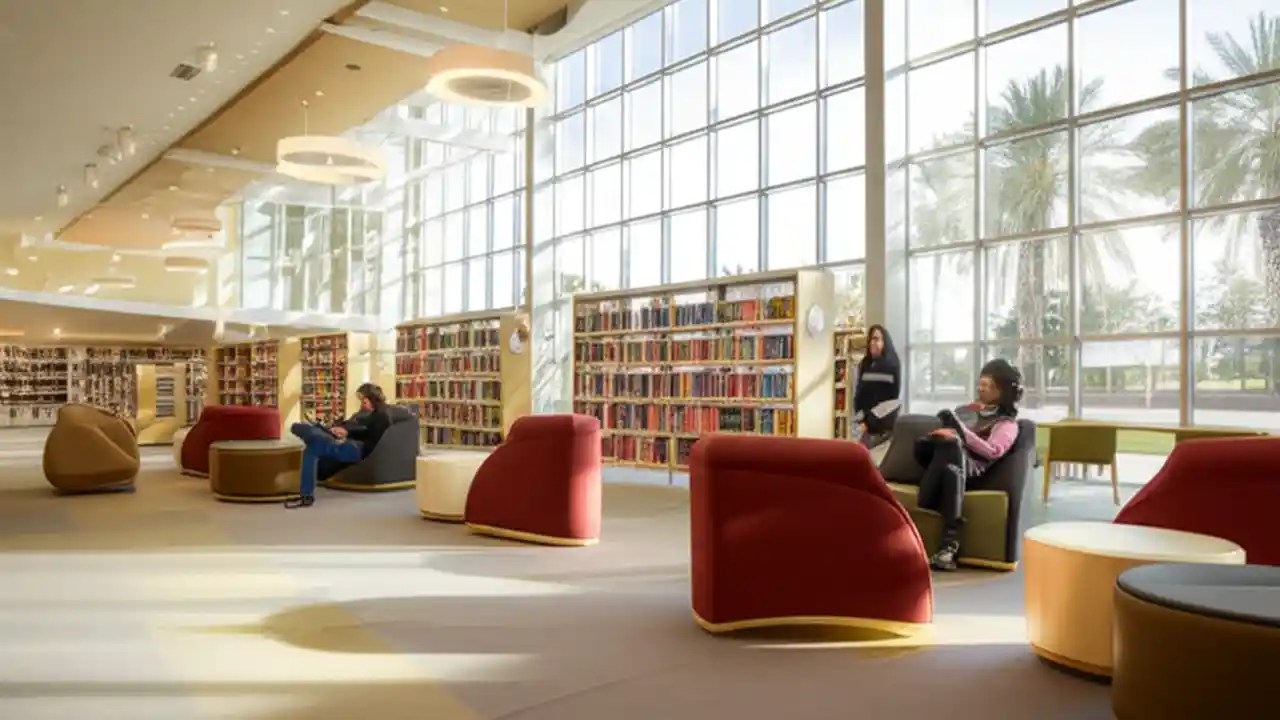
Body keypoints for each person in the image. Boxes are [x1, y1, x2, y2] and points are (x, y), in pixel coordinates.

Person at [915, 359, 1023, 571]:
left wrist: (961, 434)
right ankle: (949, 545)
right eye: (980, 383)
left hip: (973, 468)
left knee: (953, 451)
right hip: (944, 460)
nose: (981, 389)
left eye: (989, 385)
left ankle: (947, 540)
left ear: (1003, 392)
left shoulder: (1007, 424)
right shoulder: (967, 411)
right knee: (945, 449)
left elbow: (993, 451)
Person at [284, 383, 390, 509]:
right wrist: (344, 432)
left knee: (314, 446)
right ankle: (313, 430)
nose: (362, 404)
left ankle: (306, 495)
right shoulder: (375, 414)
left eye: (364, 400)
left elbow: (370, 437)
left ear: (372, 398)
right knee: (312, 433)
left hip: (356, 449)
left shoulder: (382, 416)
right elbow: (363, 431)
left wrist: (347, 435)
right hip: (351, 443)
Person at [852, 324, 901, 449]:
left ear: (885, 342)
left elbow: (891, 401)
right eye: (871, 339)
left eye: (877, 339)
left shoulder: (890, 365)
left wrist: (868, 422)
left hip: (881, 428)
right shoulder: (866, 364)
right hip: (865, 425)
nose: (872, 343)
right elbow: (861, 393)